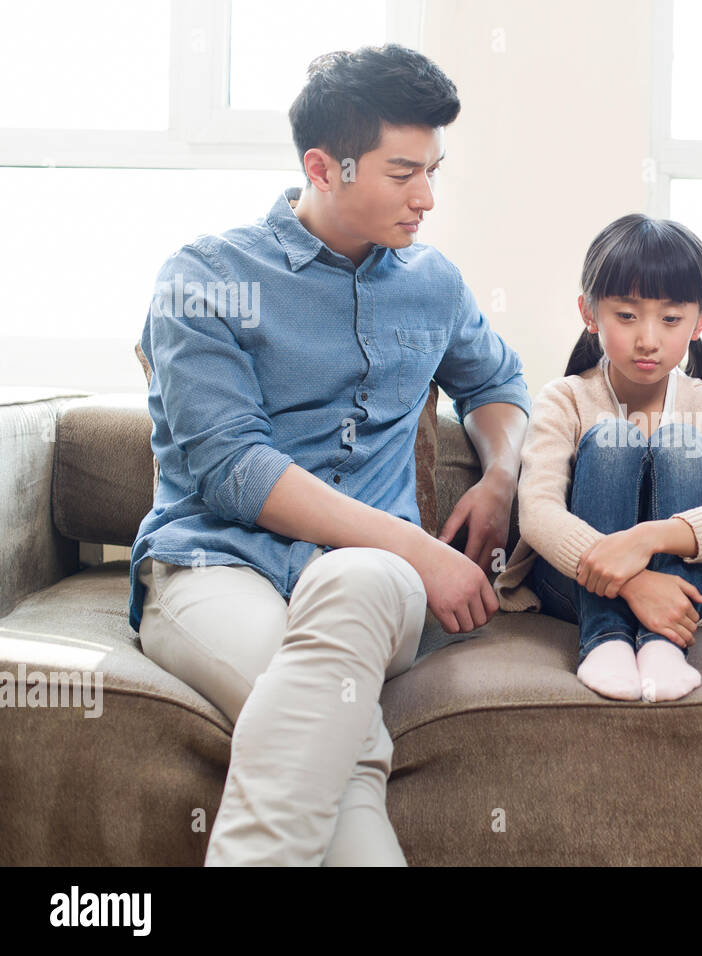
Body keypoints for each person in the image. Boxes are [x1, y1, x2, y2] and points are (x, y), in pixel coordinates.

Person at [129, 45, 531, 865]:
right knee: (339, 744)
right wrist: (420, 549)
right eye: (401, 173)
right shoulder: (206, 278)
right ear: (323, 166)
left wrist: (499, 475)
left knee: (362, 576)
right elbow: (234, 469)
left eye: (434, 171)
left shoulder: (433, 284)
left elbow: (499, 383)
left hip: (369, 580)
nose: (426, 198)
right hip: (216, 569)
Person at [493, 214, 702, 702]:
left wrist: (645, 540)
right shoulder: (565, 398)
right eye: (627, 315)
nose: (648, 339)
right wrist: (634, 581)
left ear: (701, 321)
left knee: (679, 442)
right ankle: (606, 638)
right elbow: (538, 513)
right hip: (574, 586)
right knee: (613, 437)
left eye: (671, 318)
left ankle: (663, 644)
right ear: (589, 313)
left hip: (691, 588)